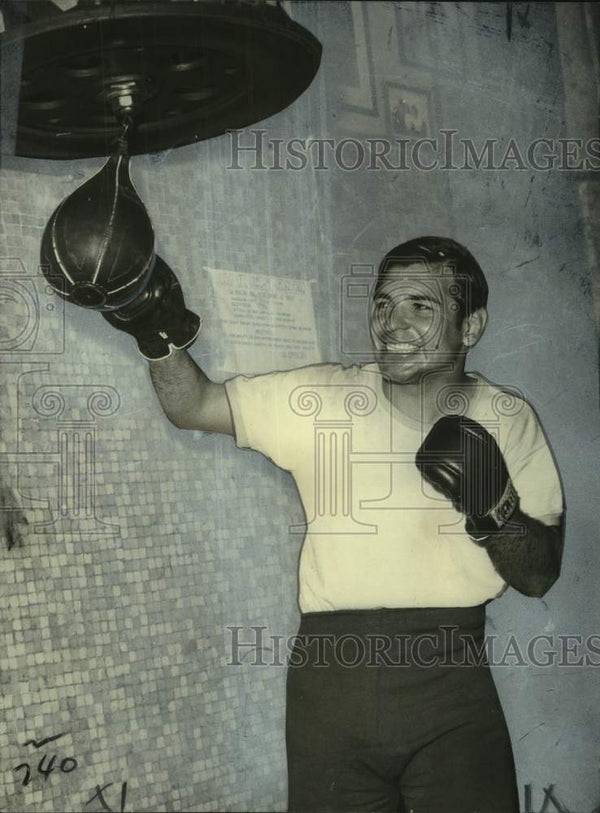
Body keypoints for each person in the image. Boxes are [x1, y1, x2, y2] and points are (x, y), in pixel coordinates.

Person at [92, 236, 566, 812]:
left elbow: (539, 575)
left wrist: (496, 509)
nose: (393, 322)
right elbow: (195, 406)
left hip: (451, 683)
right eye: (383, 304)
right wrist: (151, 330)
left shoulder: (507, 418)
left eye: (421, 306)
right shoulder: (321, 398)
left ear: (471, 326)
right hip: (330, 681)